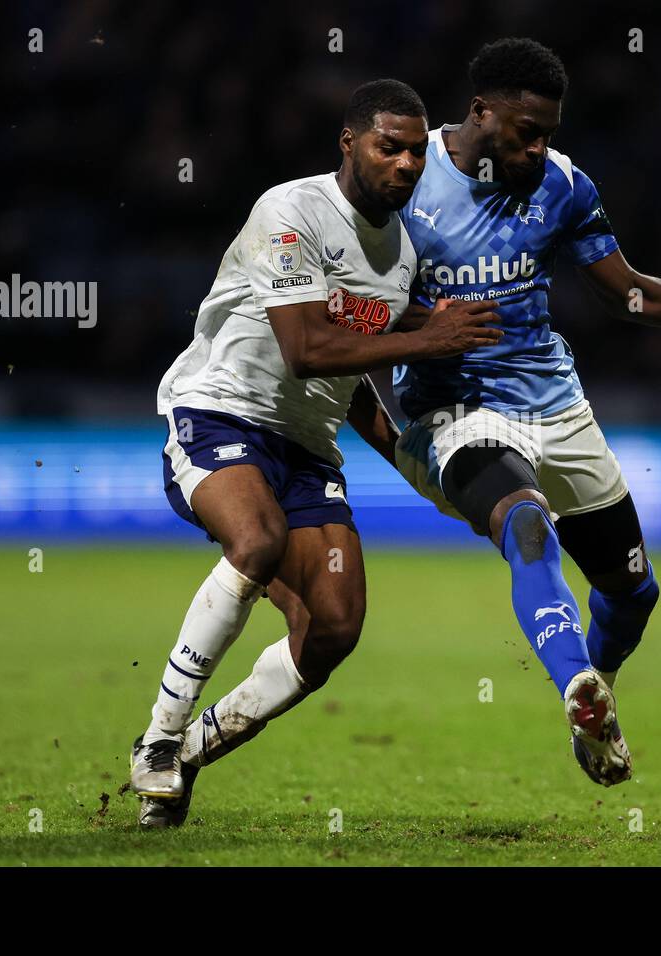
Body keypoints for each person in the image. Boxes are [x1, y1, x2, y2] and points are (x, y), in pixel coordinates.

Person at [389, 38, 661, 786]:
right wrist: (420, 333)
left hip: (556, 404)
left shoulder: (561, 184)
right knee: (524, 519)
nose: (539, 147)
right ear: (480, 112)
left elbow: (627, 293)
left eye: (550, 132)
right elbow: (349, 313)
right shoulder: (400, 177)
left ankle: (598, 696)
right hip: (453, 409)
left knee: (631, 591)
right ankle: (575, 684)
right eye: (526, 131)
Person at [130, 78, 500, 827]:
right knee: (256, 541)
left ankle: (196, 750)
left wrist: (423, 472)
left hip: (305, 446)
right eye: (387, 147)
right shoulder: (291, 211)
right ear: (349, 143)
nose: (403, 165)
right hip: (219, 411)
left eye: (416, 154)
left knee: (333, 627)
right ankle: (160, 742)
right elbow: (305, 348)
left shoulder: (402, 253)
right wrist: (427, 336)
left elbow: (356, 375)